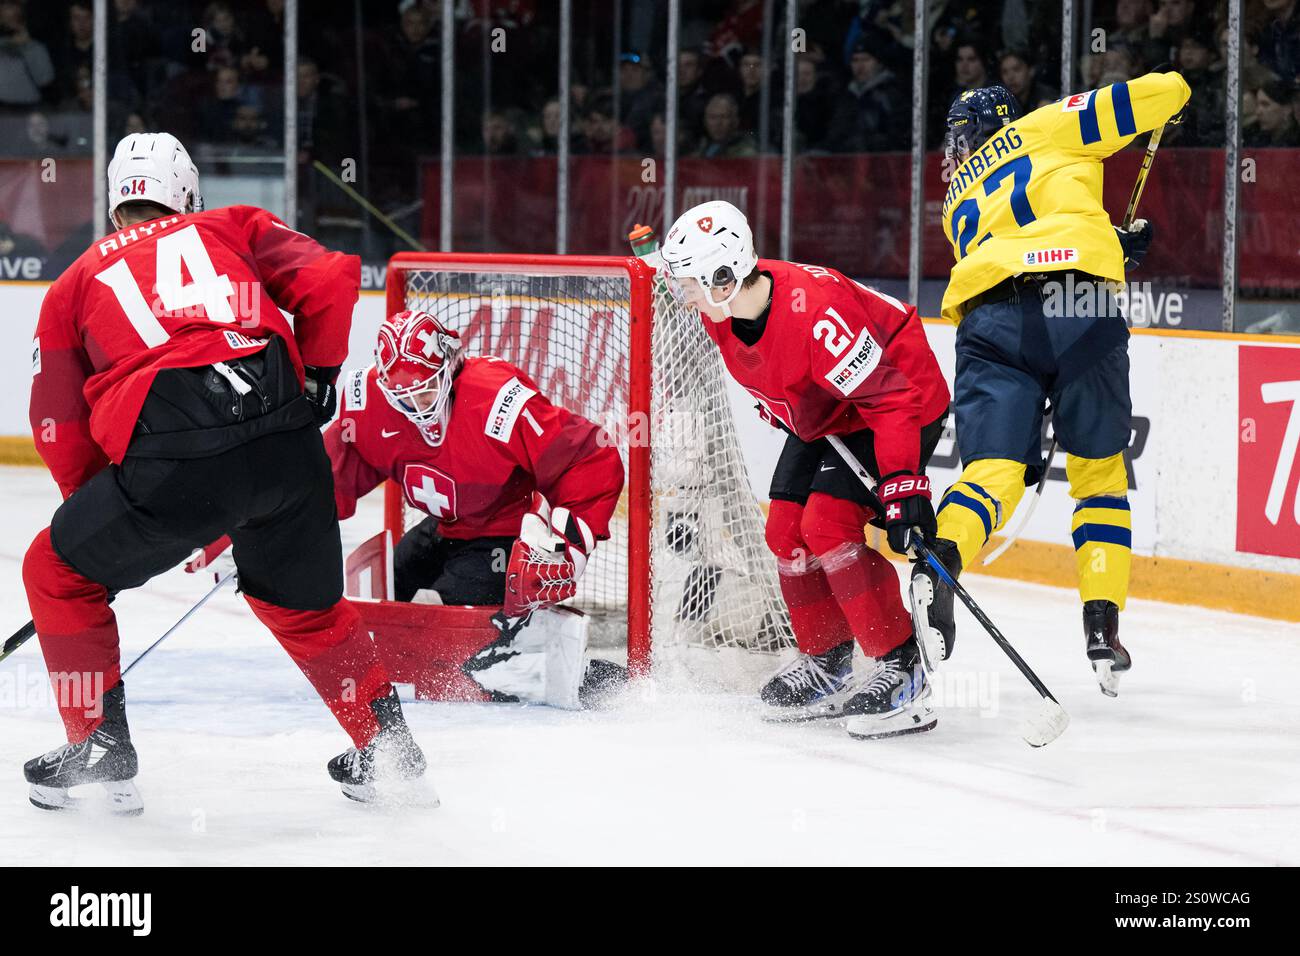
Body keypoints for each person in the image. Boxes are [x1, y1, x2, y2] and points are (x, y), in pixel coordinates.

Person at [22, 132, 427, 813]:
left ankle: (101, 752)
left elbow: (57, 424)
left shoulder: (74, 282)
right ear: (186, 195)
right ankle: (390, 754)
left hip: (173, 454)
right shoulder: (231, 226)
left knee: (55, 572)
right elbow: (330, 276)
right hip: (288, 443)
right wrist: (323, 371)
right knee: (306, 610)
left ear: (115, 201)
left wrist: (101, 526)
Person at [920, 72, 1191, 696]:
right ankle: (1103, 624)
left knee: (990, 473)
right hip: (1079, 307)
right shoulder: (1046, 124)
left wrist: (1110, 242)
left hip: (992, 319)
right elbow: (1154, 93)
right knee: (1098, 478)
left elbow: (1023, 234)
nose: (954, 151)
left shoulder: (957, 196)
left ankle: (944, 561)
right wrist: (1171, 100)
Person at [659, 200, 950, 739]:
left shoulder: (815, 313)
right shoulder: (720, 308)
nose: (684, 297)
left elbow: (891, 400)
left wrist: (903, 488)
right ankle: (828, 661)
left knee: (826, 525)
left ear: (724, 279)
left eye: (691, 285)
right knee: (785, 531)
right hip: (828, 407)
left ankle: (903, 666)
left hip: (897, 396)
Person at [322, 309, 628, 700]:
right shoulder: (366, 403)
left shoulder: (498, 400)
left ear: (449, 366)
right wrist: (279, 529)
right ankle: (486, 654)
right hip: (447, 526)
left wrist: (569, 548)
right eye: (404, 397)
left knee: (453, 636)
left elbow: (589, 456)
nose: (417, 406)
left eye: (427, 389)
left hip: (505, 532)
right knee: (390, 596)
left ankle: (573, 672)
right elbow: (331, 477)